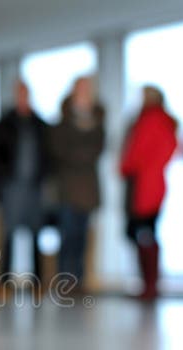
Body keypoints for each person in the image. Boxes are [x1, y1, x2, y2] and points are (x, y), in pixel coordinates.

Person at [120, 86, 177, 301]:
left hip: (146, 187)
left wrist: (126, 166)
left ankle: (150, 285)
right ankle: (149, 284)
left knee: (144, 233)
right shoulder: (160, 121)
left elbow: (137, 153)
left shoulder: (152, 120)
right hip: (148, 185)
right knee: (144, 233)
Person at [0, 81, 48, 276]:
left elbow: (48, 155)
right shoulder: (4, 124)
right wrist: (2, 176)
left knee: (36, 230)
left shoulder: (39, 124)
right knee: (9, 231)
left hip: (34, 186)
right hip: (11, 185)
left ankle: (37, 279)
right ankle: (5, 278)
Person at [49, 76, 105, 287]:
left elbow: (99, 149)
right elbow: (59, 150)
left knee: (82, 236)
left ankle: (79, 280)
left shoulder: (98, 120)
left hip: (88, 189)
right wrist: (81, 155)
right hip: (67, 187)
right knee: (67, 234)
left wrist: (79, 154)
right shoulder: (63, 121)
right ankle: (64, 279)